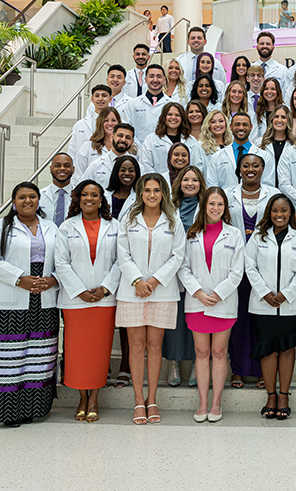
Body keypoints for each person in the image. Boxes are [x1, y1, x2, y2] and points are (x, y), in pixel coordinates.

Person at [0, 182, 59, 427]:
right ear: (13, 202)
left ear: (38, 200)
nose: (27, 201)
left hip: (43, 297)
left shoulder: (51, 227)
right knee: (7, 359)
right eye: (22, 197)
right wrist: (19, 279)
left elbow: (63, 259)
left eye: (32, 196)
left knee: (37, 356)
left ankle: (32, 408)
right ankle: (5, 412)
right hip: (6, 302)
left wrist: (53, 279)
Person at [116, 173, 186, 425]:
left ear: (163, 193)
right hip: (132, 290)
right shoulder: (128, 219)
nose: (152, 195)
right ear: (140, 193)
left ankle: (152, 399)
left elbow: (178, 255)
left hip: (162, 291)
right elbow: (122, 254)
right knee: (136, 346)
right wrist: (137, 280)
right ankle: (137, 400)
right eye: (147, 190)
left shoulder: (173, 220)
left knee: (155, 346)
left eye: (157, 190)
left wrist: (154, 281)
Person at [54, 180, 120, 423]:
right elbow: (61, 263)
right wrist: (80, 291)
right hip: (75, 301)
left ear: (102, 199)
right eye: (84, 195)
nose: (89, 199)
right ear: (78, 199)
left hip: (104, 300)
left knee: (99, 351)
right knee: (78, 352)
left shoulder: (115, 226)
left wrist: (104, 288)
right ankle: (83, 397)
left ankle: (95, 399)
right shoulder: (66, 227)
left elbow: (121, 260)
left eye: (94, 195)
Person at [179, 187, 246, 422]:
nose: (215, 208)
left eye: (220, 204)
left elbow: (238, 272)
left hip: (223, 302)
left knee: (219, 352)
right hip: (197, 302)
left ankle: (216, 403)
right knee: (201, 351)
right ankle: (202, 403)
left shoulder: (235, 234)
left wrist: (218, 293)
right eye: (211, 204)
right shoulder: (190, 234)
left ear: (225, 208)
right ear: (203, 206)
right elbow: (183, 267)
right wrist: (198, 292)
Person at [245, 194, 296, 420]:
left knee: (286, 348)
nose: (279, 215)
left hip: (290, 305)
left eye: (284, 210)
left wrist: (286, 294)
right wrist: (264, 292)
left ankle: (284, 395)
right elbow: (249, 266)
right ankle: (270, 395)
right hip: (262, 304)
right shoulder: (258, 237)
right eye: (275, 211)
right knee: (267, 349)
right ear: (269, 213)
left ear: (290, 212)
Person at [225, 153, 281, 389]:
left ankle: (261, 369)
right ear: (239, 170)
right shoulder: (227, 194)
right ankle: (238, 369)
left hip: (263, 264)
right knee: (238, 320)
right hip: (235, 264)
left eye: (256, 165)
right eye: (246, 165)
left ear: (262, 169)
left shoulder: (274, 195)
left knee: (261, 320)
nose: (250, 169)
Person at [166, 165, 207, 388]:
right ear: (179, 183)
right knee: (174, 320)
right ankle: (173, 363)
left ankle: (194, 364)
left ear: (201, 184)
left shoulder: (206, 207)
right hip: (172, 269)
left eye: (195, 180)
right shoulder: (169, 207)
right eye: (186, 180)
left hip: (197, 270)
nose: (190, 184)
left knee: (195, 320)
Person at [106, 155, 141, 388]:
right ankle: (102, 364)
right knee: (106, 320)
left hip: (130, 265)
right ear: (116, 171)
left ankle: (125, 368)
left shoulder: (141, 199)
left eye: (131, 170)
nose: (127, 173)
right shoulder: (103, 197)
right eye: (123, 169)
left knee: (128, 321)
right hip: (105, 264)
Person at [207, 112, 275, 189]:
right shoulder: (218, 156)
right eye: (237, 124)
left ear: (251, 127)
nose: (241, 128)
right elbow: (212, 185)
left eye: (245, 124)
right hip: (226, 199)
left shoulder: (264, 156)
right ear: (230, 126)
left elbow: (268, 186)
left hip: (255, 200)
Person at [140, 102, 207, 175]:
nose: (173, 117)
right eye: (170, 114)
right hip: (158, 182)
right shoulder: (151, 139)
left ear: (182, 118)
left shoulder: (191, 140)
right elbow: (146, 164)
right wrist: (158, 181)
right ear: (164, 117)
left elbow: (195, 165)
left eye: (177, 115)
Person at [80, 123, 141, 189]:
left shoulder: (140, 167)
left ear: (132, 142)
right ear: (112, 137)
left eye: (128, 137)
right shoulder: (96, 165)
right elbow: (82, 188)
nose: (123, 140)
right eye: (120, 135)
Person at [120, 63, 169, 143]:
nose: (155, 80)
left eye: (159, 77)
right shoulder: (132, 104)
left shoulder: (171, 104)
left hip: (163, 150)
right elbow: (127, 128)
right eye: (151, 76)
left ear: (164, 81)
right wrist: (138, 147)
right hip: (137, 150)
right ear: (146, 80)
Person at [75, 107, 124, 177]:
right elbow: (79, 175)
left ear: (119, 122)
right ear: (100, 122)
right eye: (106, 120)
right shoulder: (88, 147)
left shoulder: (128, 147)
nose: (110, 123)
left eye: (113, 120)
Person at [69, 85, 111, 162]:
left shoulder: (118, 124)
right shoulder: (80, 125)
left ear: (110, 99)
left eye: (104, 96)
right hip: (84, 166)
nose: (100, 99)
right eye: (97, 96)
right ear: (92, 99)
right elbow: (72, 150)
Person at [259, 105, 293, 189]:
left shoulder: (294, 144)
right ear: (272, 119)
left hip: (288, 193)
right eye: (276, 116)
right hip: (267, 190)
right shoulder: (261, 143)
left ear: (288, 120)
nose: (279, 120)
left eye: (283, 117)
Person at [39, 153, 74, 227]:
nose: (62, 168)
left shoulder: (81, 195)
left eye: (67, 166)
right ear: (50, 169)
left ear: (73, 170)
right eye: (57, 165)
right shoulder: (40, 195)